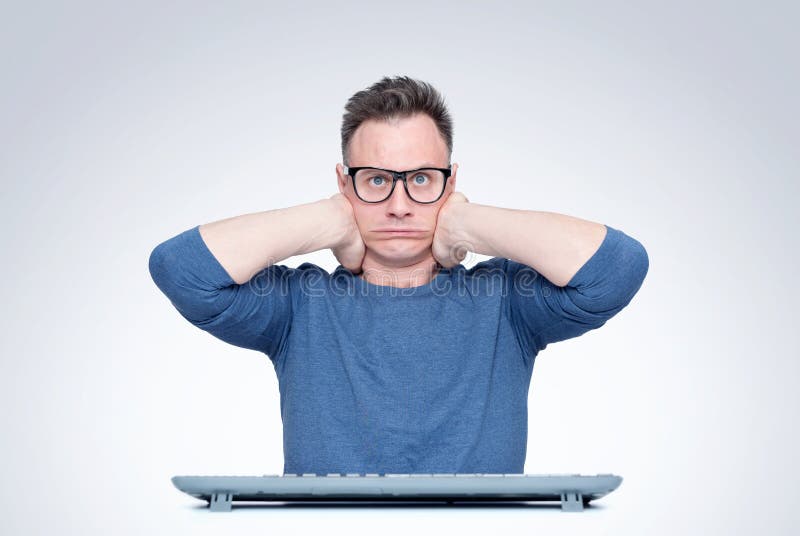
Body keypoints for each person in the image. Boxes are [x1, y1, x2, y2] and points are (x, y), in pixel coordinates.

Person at [148, 75, 649, 475]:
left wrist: (466, 223)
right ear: (344, 182)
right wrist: (328, 222)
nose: (400, 206)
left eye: (423, 180)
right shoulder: (298, 304)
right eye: (377, 180)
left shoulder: (506, 300)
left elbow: (616, 268)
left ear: (452, 181)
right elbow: (181, 269)